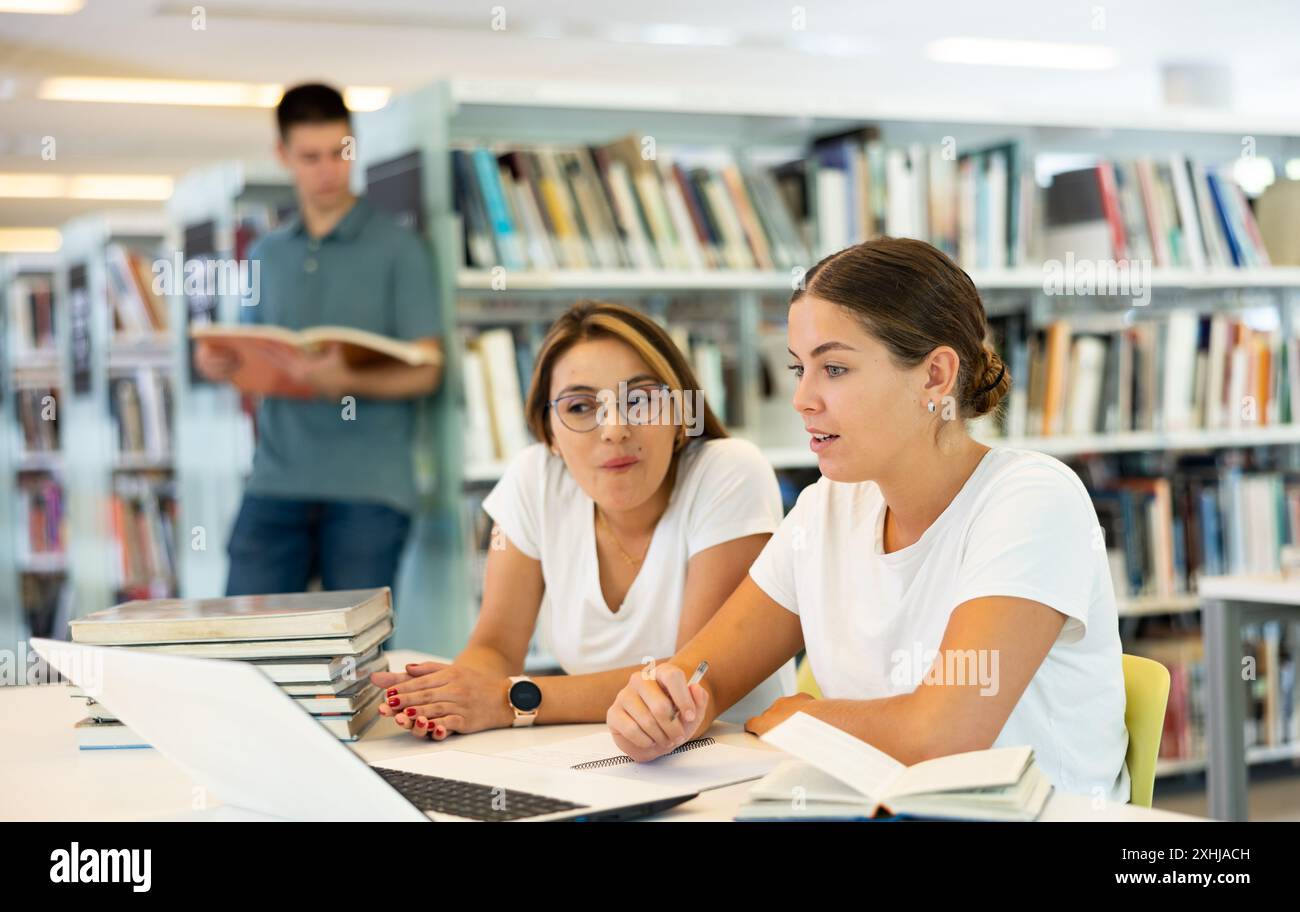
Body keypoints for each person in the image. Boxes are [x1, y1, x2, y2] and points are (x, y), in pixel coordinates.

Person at [603, 237, 1131, 803]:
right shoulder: (828, 506)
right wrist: (657, 706)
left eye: (834, 367)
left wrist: (806, 719)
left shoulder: (1032, 500)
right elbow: (705, 676)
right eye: (798, 368)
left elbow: (944, 734)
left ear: (935, 376)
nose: (802, 398)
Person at [372, 300, 795, 736]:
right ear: (549, 432)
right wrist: (447, 700)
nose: (614, 429)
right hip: (602, 754)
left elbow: (688, 680)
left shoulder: (729, 471)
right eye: (580, 407)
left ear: (680, 416)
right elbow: (494, 648)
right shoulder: (533, 479)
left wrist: (508, 700)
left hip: (732, 754)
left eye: (640, 400)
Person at [193, 83, 442, 597]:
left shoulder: (402, 250)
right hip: (275, 481)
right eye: (310, 157)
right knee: (245, 643)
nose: (328, 170)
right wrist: (223, 364)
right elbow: (255, 356)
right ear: (282, 155)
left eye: (339, 153)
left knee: (356, 661)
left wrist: (346, 379)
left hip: (369, 490)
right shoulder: (264, 254)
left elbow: (429, 368)